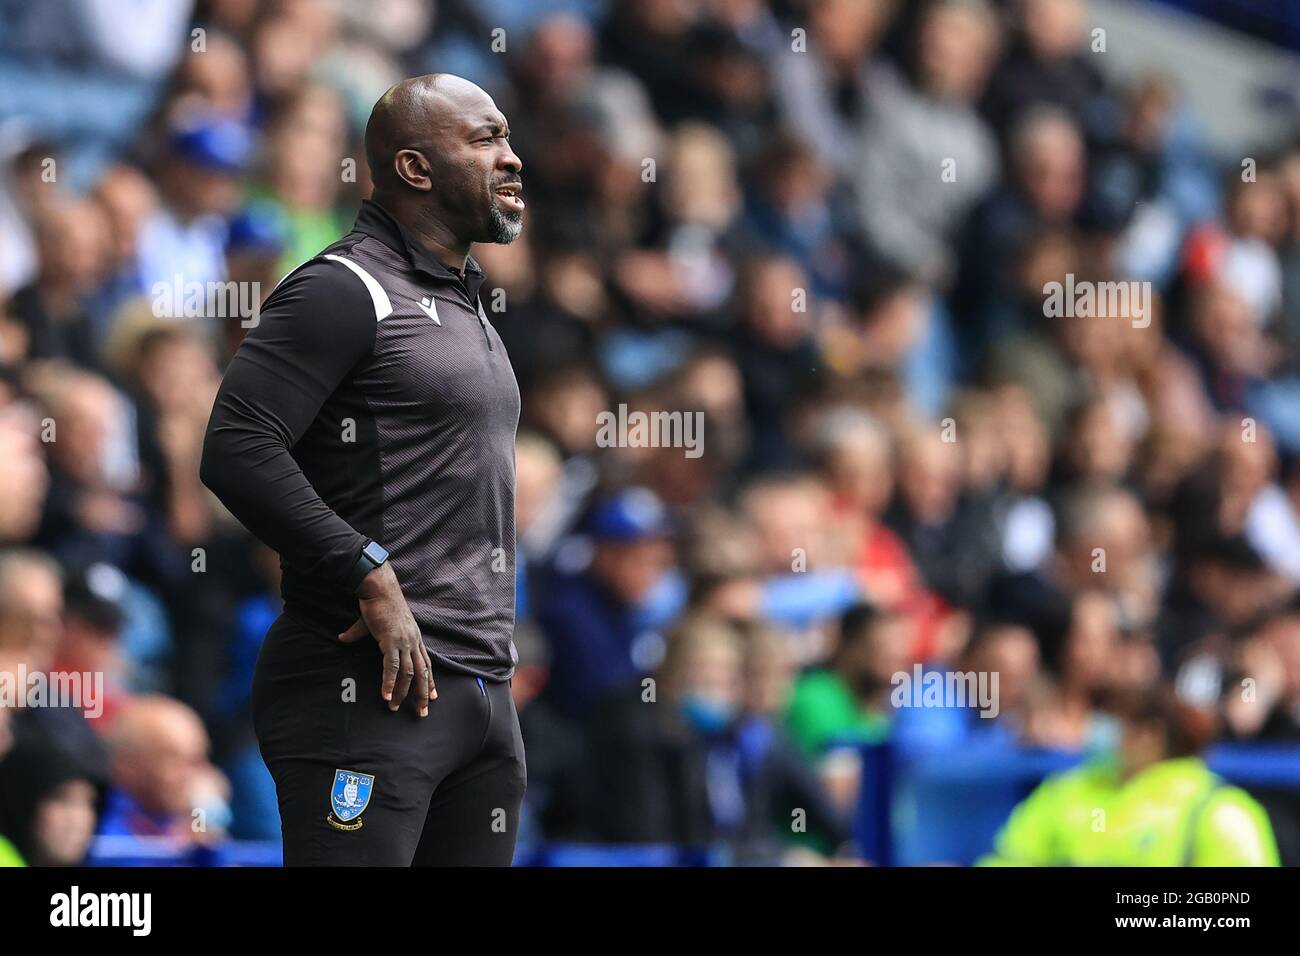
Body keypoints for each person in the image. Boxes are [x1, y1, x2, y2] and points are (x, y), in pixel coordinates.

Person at [200, 73, 526, 866]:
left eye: (508, 138)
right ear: (414, 168)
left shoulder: (464, 299)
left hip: (481, 691)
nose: (512, 159)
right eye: (484, 140)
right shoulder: (343, 288)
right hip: (364, 684)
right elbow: (236, 445)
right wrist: (366, 571)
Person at [980, 687, 1280, 866]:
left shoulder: (1217, 809)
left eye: (1112, 723)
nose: (1095, 733)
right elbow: (1008, 859)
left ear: (1149, 736)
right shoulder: (1063, 790)